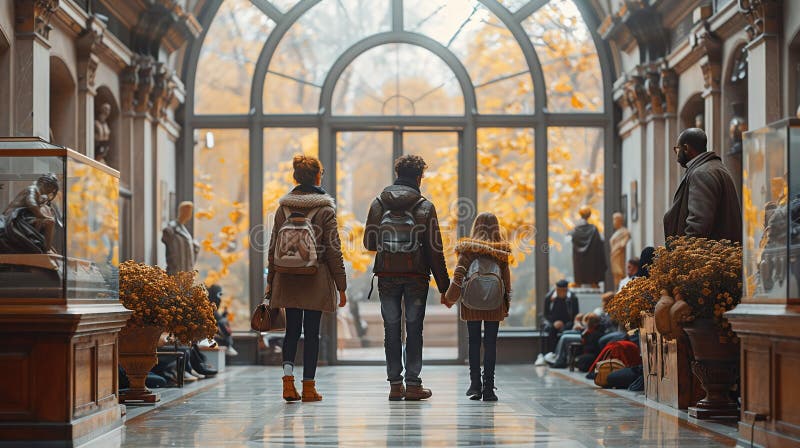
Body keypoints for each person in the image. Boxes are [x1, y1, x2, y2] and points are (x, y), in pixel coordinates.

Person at [364, 154, 450, 401]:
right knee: (414, 330)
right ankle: (413, 385)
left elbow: (369, 242)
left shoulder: (378, 204)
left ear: (397, 173)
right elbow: (435, 251)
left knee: (391, 330)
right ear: (419, 177)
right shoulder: (425, 207)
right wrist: (445, 287)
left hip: (387, 275)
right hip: (416, 277)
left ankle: (394, 385)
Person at [266, 155, 347, 403]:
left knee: (292, 331)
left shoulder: (283, 208)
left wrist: (271, 280)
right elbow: (333, 250)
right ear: (317, 176)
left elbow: (272, 248)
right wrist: (341, 286)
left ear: (295, 178)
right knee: (312, 334)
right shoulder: (325, 209)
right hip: (316, 278)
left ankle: (288, 384)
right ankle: (309, 388)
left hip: (287, 278)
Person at [444, 212, 512, 401]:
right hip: (495, 302)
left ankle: (475, 386)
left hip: (471, 302)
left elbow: (458, 277)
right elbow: (506, 282)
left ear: (477, 227)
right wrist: (506, 304)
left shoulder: (468, 250)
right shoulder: (502, 253)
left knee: (473, 342)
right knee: (490, 344)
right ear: (496, 228)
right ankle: (489, 389)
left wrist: (449, 298)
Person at [663, 128, 742, 243]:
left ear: (686, 148)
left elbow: (698, 224)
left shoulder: (701, 173)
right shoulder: (714, 167)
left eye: (677, 149)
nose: (677, 155)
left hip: (708, 258)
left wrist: (685, 253)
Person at [536, 279, 580, 366]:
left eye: (563, 291)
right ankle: (551, 354)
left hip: (567, 322)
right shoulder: (549, 298)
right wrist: (554, 323)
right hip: (553, 322)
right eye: (559, 290)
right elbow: (546, 315)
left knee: (566, 330)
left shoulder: (573, 298)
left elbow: (575, 315)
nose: (561, 293)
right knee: (551, 330)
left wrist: (565, 324)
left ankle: (562, 356)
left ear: (566, 290)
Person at [207, 284, 238, 356]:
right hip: (212, 340)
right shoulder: (210, 310)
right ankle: (228, 346)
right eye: (219, 295)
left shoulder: (213, 310)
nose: (220, 299)